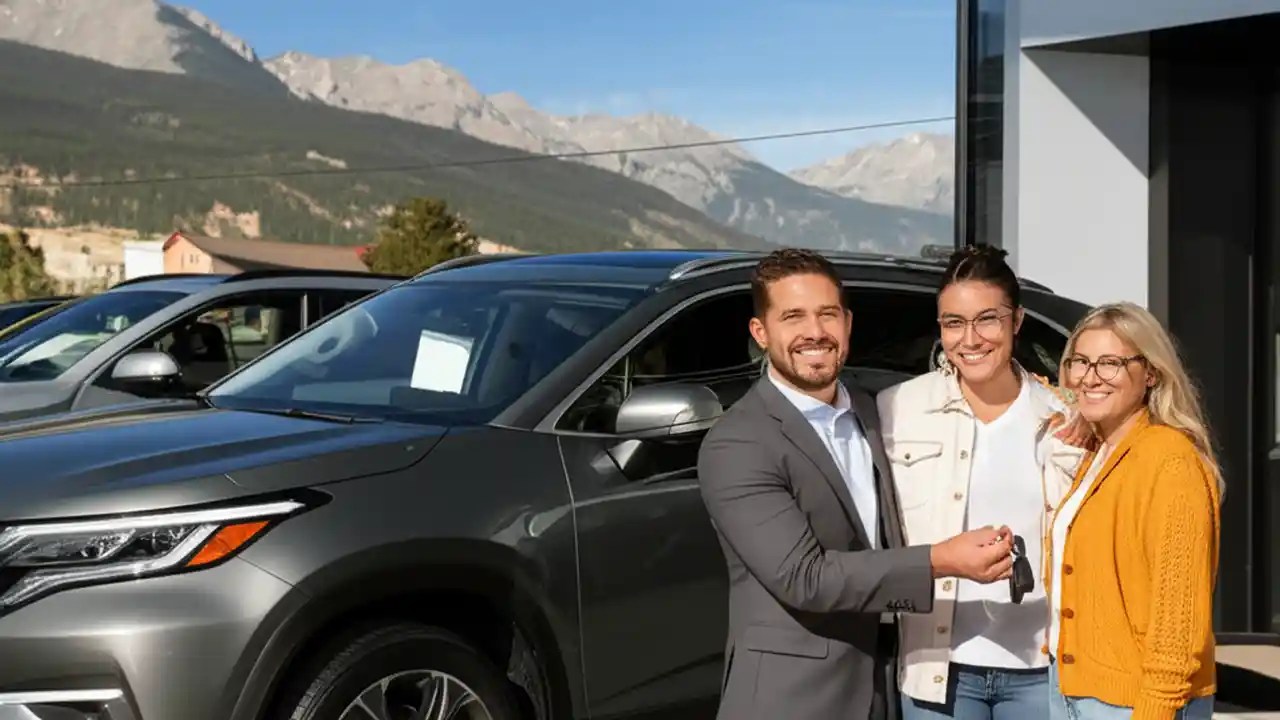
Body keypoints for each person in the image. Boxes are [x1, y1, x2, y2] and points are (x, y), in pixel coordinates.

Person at [697, 248, 1019, 720]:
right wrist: (941, 559)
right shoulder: (738, 442)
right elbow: (804, 579)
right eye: (793, 317)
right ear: (760, 333)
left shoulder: (872, 413)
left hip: (880, 689)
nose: (815, 332)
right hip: (789, 700)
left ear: (847, 322)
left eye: (827, 314)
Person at [876, 244, 1086, 720]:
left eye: (987, 319)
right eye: (954, 323)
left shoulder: (1068, 418)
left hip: (1045, 670)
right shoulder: (896, 411)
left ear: (1016, 321)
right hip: (938, 671)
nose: (970, 339)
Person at [1044, 302, 1222, 720]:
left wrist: (1155, 711)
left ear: (1152, 373)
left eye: (1110, 363)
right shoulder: (1099, 452)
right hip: (1074, 690)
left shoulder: (1169, 460)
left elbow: (1178, 624)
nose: (1090, 377)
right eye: (1080, 362)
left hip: (1134, 704)